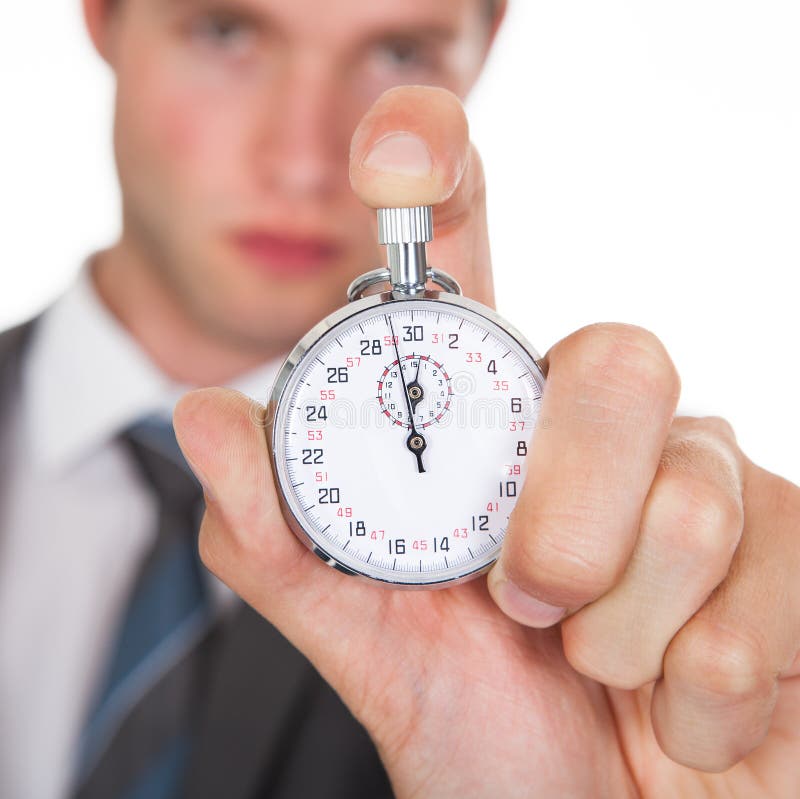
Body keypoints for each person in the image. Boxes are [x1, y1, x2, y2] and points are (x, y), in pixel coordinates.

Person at [0, 1, 798, 799]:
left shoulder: (542, 587)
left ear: (485, 48)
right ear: (103, 17)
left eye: (398, 49)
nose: (303, 158)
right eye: (227, 32)